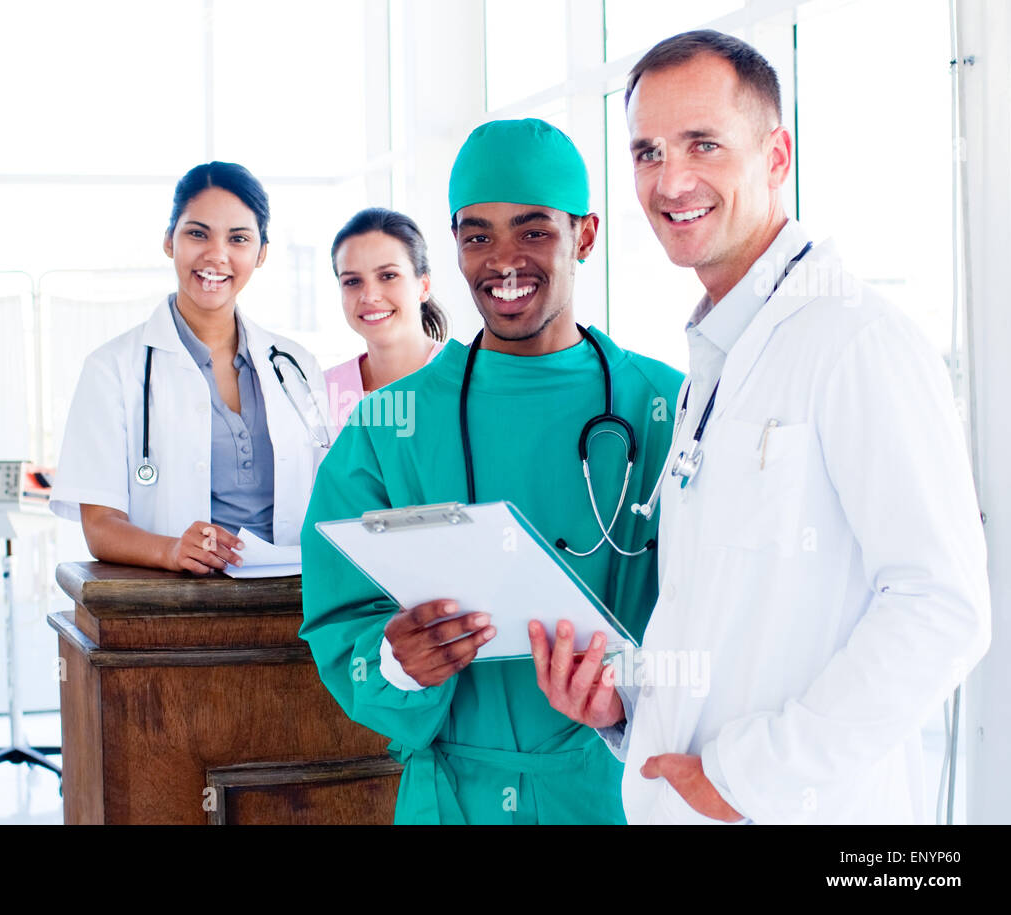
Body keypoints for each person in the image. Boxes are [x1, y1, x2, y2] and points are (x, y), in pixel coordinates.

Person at [529, 30, 991, 824]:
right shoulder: (718, 357)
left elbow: (943, 607)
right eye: (646, 152)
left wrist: (753, 777)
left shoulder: (855, 340)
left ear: (776, 156)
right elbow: (724, 612)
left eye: (702, 143)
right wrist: (624, 701)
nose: (671, 180)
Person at [298, 118, 684, 824]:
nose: (503, 260)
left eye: (533, 231)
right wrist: (394, 660)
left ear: (585, 236)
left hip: (622, 794)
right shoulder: (389, 427)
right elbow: (338, 618)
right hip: (456, 800)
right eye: (478, 236)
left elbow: (725, 606)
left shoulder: (665, 406)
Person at [50, 161, 330, 574]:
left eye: (238, 238)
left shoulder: (296, 366)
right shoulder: (112, 369)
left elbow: (328, 497)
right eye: (197, 233)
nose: (216, 255)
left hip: (290, 602)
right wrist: (170, 551)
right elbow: (100, 527)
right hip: (177, 606)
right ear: (169, 241)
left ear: (261, 253)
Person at [324, 208, 448, 431]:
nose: (369, 296)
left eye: (388, 276)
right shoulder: (323, 392)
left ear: (424, 286)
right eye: (352, 281)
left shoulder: (467, 378)